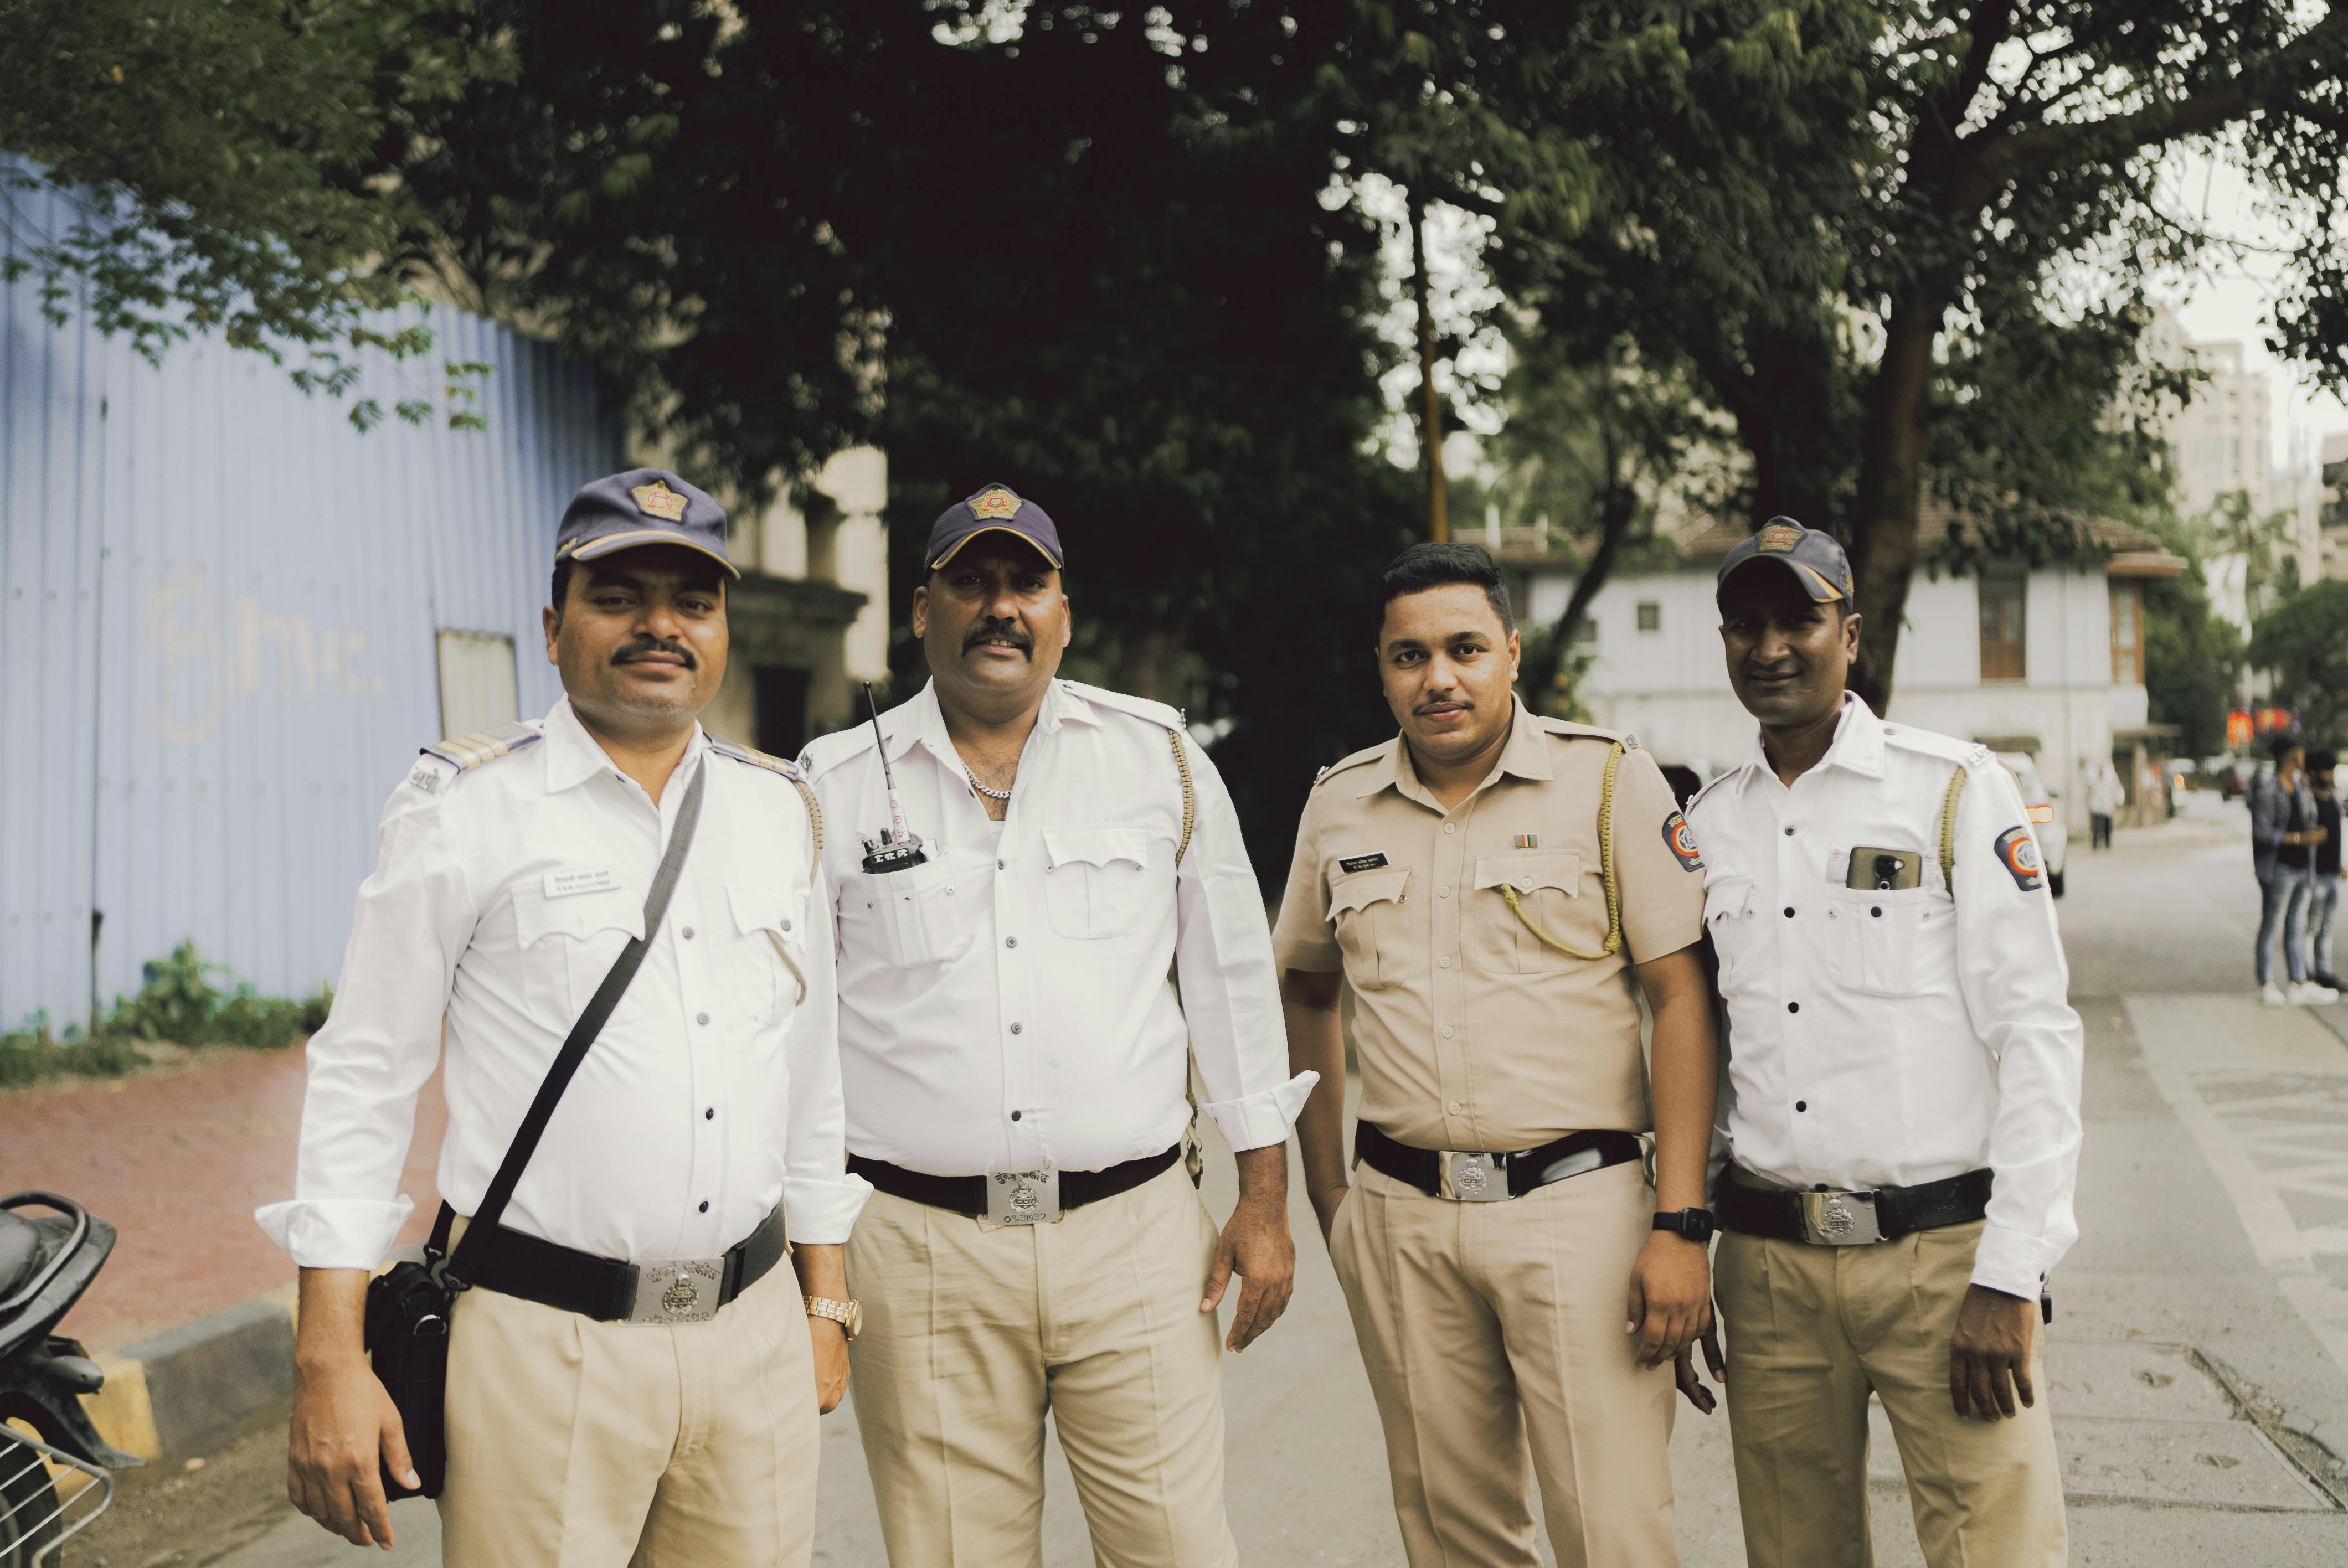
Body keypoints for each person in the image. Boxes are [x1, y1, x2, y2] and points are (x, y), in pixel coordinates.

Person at [257, 469, 869, 1565]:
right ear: (553, 627)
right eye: (618, 595)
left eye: (691, 602)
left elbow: (812, 1081)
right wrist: (328, 1358)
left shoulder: (780, 813)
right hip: (544, 1347)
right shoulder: (467, 806)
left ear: (722, 629)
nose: (658, 628)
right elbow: (364, 1076)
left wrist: (824, 1306)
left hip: (754, 1334)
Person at [800, 483, 1310, 1568]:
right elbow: (798, 1047)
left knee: (1177, 1549)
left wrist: (1262, 1199)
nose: (1000, 607)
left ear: (1062, 613)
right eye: (970, 583)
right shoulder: (832, 788)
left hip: (1133, 1240)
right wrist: (818, 1267)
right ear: (919, 608)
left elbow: (1227, 983)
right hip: (920, 1248)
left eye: (1024, 583)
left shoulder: (1156, 757)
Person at [1274, 541, 1719, 1568]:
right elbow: (1306, 984)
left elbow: (1681, 995)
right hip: (1403, 1216)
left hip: (1583, 1212)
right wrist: (1332, 1194)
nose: (1439, 678)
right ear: (1381, 668)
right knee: (1452, 1532)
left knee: (1613, 1532)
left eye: (1466, 648)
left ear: (1512, 653)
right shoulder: (1339, 803)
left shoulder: (1608, 780)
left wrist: (1681, 1221)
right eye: (1410, 655)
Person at [1685, 518, 2084, 1568]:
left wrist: (2012, 1269)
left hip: (1944, 1264)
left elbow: (2036, 1031)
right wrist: (1687, 1233)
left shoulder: (1950, 789)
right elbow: (1708, 1055)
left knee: (1997, 1551)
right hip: (1769, 1271)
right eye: (1746, 625)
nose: (1770, 647)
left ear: (1850, 634)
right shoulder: (1707, 824)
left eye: (1799, 621)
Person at [2250, 734, 2335, 1007]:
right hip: (2278, 869)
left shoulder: (2300, 788)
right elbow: (2261, 833)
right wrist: (2300, 838)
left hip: (2302, 868)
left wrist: (2312, 836)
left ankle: (2298, 983)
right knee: (2271, 924)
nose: (2303, 756)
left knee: (2295, 927)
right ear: (2291, 755)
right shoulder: (2268, 790)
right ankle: (2266, 983)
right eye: (2300, 752)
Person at [2304, 749, 2344, 992]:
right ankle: (2307, 974)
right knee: (2310, 927)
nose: (2330, 775)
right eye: (2326, 771)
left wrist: (2339, 864)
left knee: (2327, 927)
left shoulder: (2334, 798)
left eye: (2332, 771)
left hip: (2331, 873)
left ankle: (2324, 972)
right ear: (2313, 773)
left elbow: (2335, 836)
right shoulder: (2307, 800)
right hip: (2314, 875)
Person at [2086, 755, 2124, 850]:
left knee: (2107, 824)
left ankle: (2107, 842)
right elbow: (2089, 786)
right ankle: (2095, 843)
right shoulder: (2092, 775)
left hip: (2107, 803)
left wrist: (2118, 800)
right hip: (2096, 804)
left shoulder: (2111, 776)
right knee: (2096, 825)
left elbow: (2116, 787)